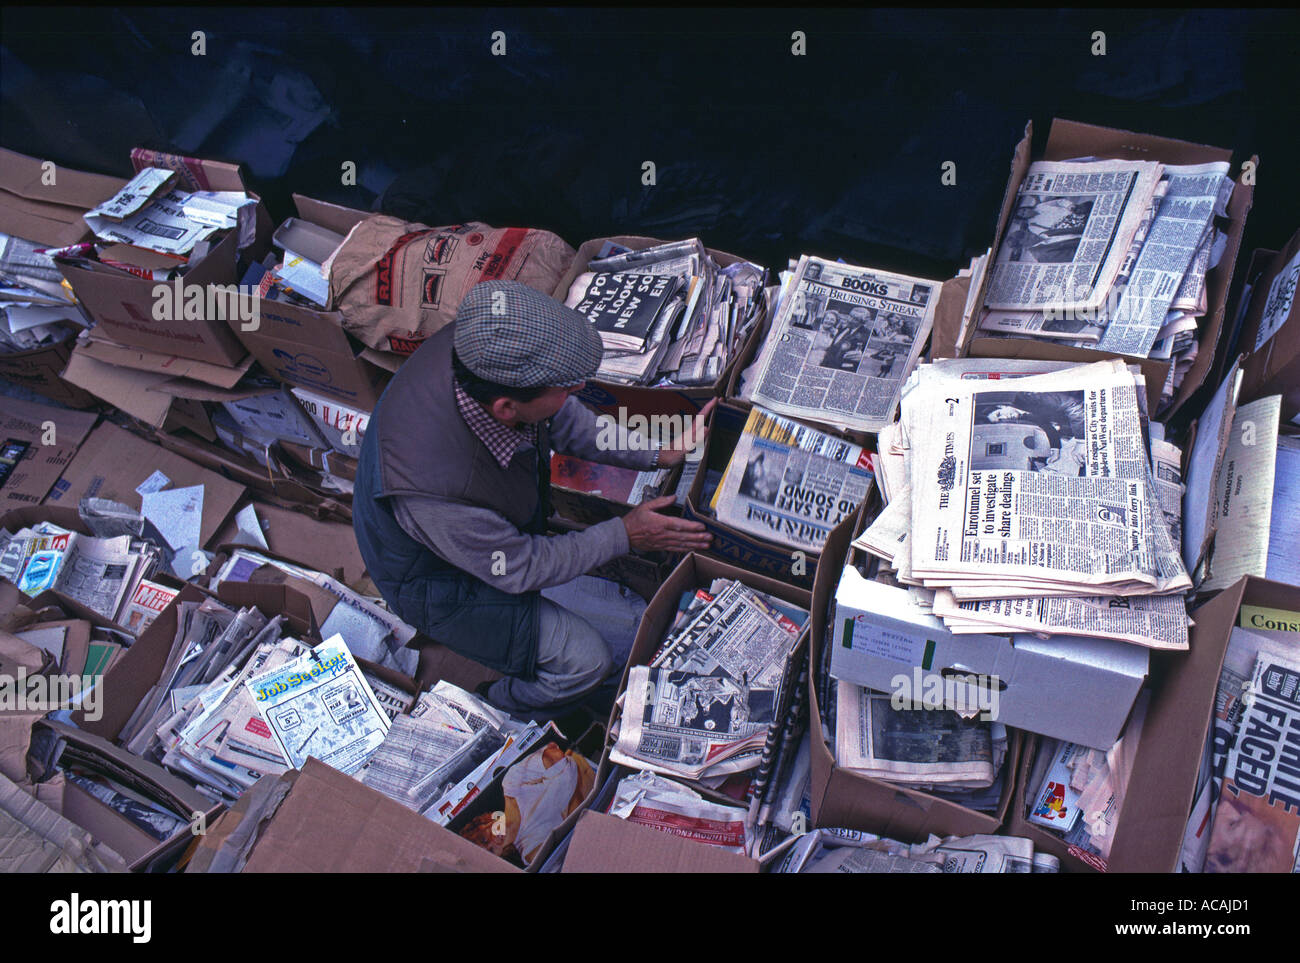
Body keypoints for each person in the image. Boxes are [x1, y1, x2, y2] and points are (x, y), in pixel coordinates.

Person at [352, 280, 714, 721]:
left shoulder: (481, 349)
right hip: (438, 584)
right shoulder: (435, 490)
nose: (579, 388)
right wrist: (626, 534)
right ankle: (502, 705)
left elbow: (564, 419)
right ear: (506, 408)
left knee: (626, 619)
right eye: (564, 386)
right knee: (587, 663)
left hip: (489, 544)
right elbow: (520, 567)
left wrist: (658, 452)